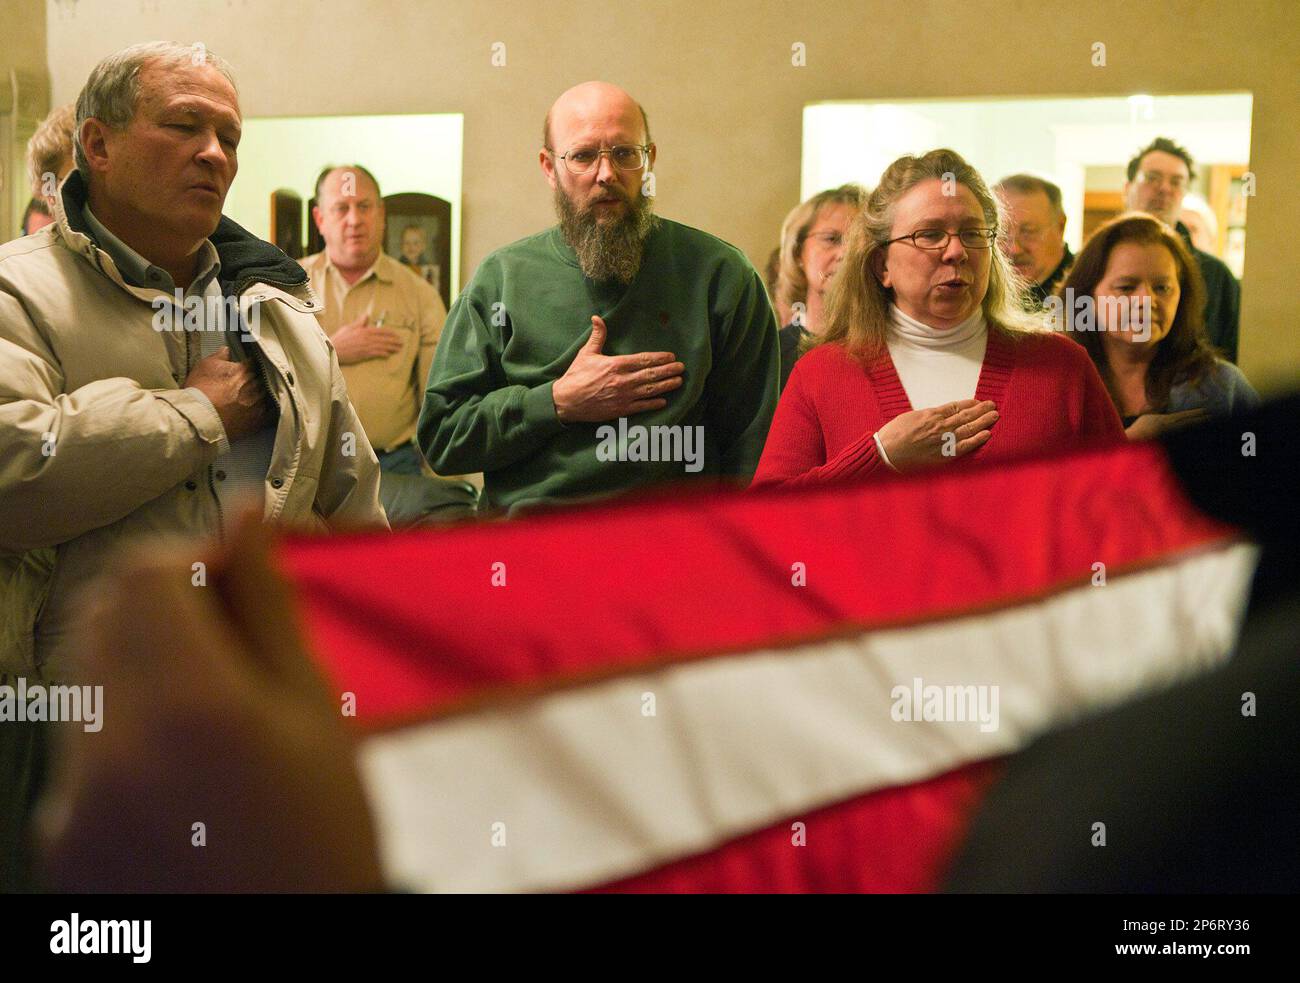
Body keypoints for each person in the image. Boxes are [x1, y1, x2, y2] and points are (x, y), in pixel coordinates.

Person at [0, 42, 386, 887]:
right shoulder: (18, 293)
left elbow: (351, 504)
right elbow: (12, 470)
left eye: (230, 136)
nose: (216, 153)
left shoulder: (277, 315)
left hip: (268, 723)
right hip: (75, 732)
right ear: (95, 145)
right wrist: (197, 413)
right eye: (184, 126)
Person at [418, 81, 779, 514]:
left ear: (649, 162)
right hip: (531, 554)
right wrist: (556, 402)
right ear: (549, 168)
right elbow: (443, 437)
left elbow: (754, 452)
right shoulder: (501, 280)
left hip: (672, 553)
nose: (606, 174)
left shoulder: (720, 276)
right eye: (584, 155)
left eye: (625, 154)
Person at [751, 149, 1124, 490]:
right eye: (930, 234)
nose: (957, 251)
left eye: (973, 234)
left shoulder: (1061, 367)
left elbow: (1125, 505)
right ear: (882, 265)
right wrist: (879, 458)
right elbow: (768, 519)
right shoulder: (822, 373)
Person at [302, 166, 477, 525]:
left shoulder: (420, 294)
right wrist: (334, 350)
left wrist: (443, 481)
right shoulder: (287, 288)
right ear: (320, 219)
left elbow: (439, 394)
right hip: (310, 464)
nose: (355, 220)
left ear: (382, 216)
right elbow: (268, 381)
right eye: (341, 208)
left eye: (365, 207)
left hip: (395, 467)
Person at [1058, 213, 1258, 441]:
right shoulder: (1055, 383)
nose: (1146, 300)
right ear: (1086, 295)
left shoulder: (1222, 387)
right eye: (1126, 287)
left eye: (1162, 288)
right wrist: (1129, 442)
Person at [1123, 136, 1241, 362]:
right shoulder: (1093, 262)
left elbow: (1231, 353)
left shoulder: (1216, 276)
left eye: (1176, 182)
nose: (1164, 189)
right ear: (1127, 189)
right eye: (1152, 178)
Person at [774, 185, 867, 389]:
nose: (845, 253)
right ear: (798, 252)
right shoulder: (771, 353)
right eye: (831, 239)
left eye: (858, 242)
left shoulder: (889, 349)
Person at [994, 173, 1071, 310]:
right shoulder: (981, 296)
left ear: (1060, 226)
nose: (1014, 249)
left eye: (1028, 232)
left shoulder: (1087, 294)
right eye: (1002, 233)